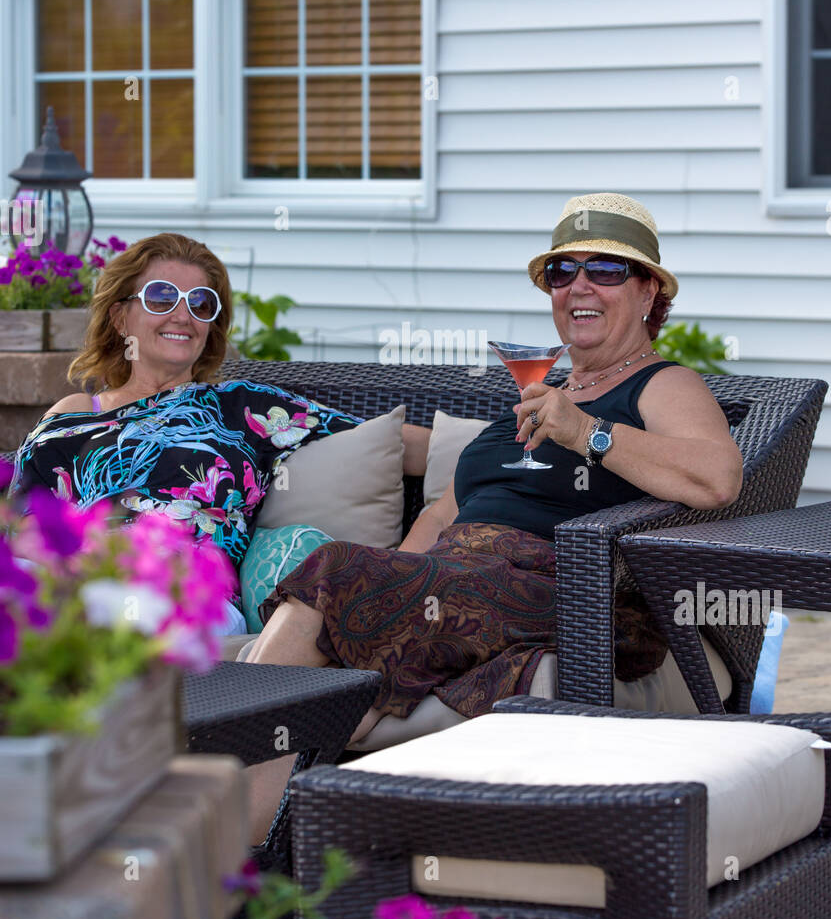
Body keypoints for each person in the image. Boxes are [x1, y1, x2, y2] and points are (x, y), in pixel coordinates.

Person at [243, 193, 743, 841]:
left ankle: (245, 868)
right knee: (340, 609)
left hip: (561, 586)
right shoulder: (546, 393)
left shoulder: (660, 384)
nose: (579, 287)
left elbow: (717, 477)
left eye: (606, 270)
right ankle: (279, 845)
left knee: (328, 574)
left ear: (648, 292)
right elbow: (442, 517)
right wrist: (398, 593)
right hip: (457, 583)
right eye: (563, 273)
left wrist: (588, 431)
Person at [9, 232, 370, 633]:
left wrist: (442, 512)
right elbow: (25, 528)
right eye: (162, 297)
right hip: (77, 586)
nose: (183, 315)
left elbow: (394, 441)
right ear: (120, 316)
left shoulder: (244, 406)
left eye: (200, 303)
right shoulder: (75, 412)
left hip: (188, 599)